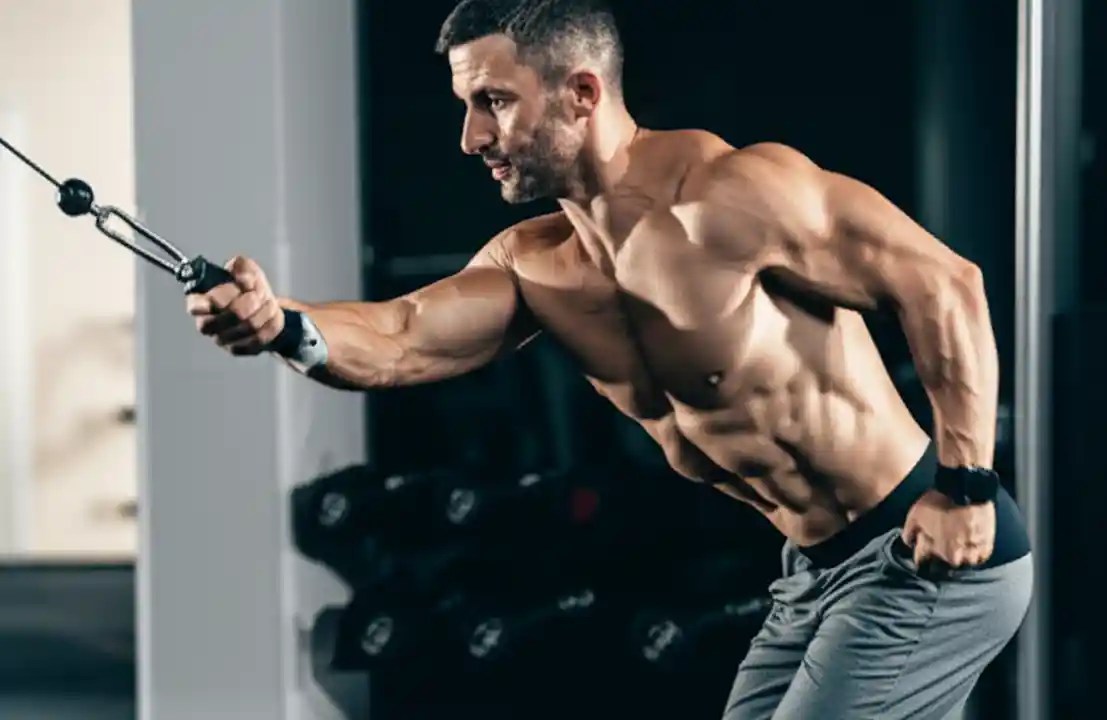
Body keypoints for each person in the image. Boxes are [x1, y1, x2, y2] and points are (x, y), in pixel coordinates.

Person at [186, 0, 1032, 717]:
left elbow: (945, 283)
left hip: (922, 551)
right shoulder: (536, 261)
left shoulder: (731, 197)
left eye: (493, 103)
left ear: (581, 93)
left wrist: (966, 487)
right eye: (465, 106)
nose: (470, 136)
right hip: (813, 573)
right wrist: (282, 324)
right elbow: (402, 337)